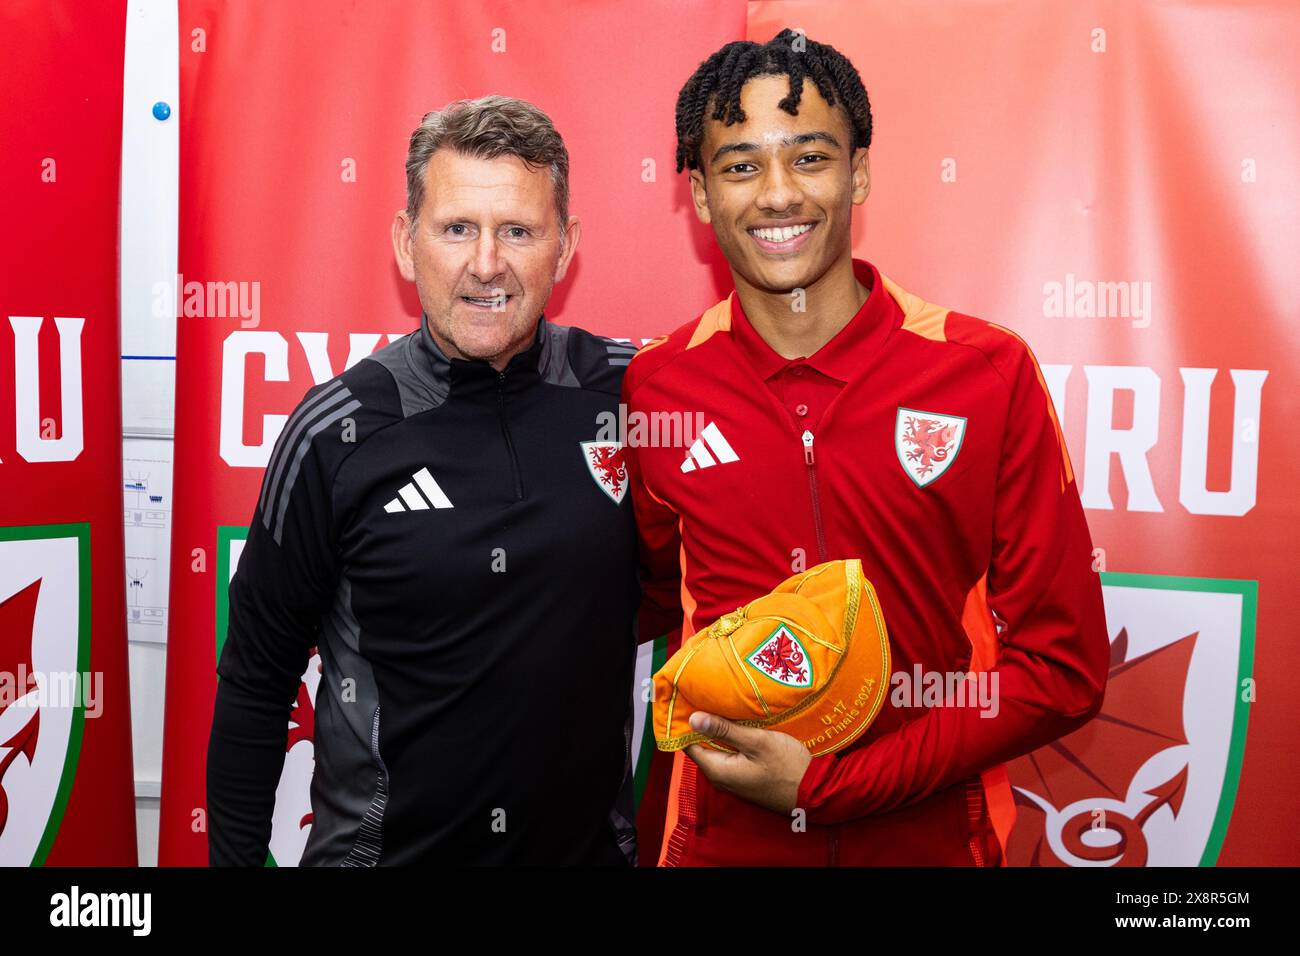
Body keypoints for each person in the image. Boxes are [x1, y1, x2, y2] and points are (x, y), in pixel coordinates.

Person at [623, 30, 1110, 866]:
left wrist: (831, 787)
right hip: (720, 849)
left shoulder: (983, 372)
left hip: (938, 846)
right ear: (699, 196)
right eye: (740, 166)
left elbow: (1062, 666)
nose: (778, 194)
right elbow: (643, 605)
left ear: (859, 173)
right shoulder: (657, 387)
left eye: (810, 157)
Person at [207, 96, 640, 865]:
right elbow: (255, 682)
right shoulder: (337, 430)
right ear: (408, 244)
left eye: (518, 230)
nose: (486, 263)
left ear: (565, 247)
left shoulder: (634, 398)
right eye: (456, 229)